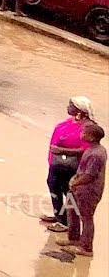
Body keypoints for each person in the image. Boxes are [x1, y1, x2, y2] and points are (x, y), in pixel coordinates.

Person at [43, 97, 96, 232]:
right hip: (58, 163)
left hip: (72, 166)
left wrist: (61, 150)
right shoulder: (70, 122)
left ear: (79, 110)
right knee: (54, 186)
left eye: (71, 105)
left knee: (69, 193)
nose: (68, 107)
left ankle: (66, 222)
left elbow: (85, 149)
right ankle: (58, 215)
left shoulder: (88, 127)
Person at [60, 122, 105, 257]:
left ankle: (86, 247)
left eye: (85, 133)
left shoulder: (96, 154)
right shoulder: (91, 149)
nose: (82, 134)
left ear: (91, 137)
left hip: (88, 191)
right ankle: (74, 239)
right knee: (71, 211)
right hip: (78, 188)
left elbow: (89, 175)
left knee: (86, 218)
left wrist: (75, 183)